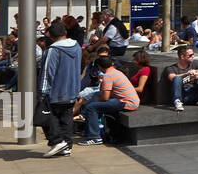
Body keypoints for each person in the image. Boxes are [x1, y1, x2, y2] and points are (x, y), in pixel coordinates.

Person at [40, 20, 82, 157]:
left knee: (47, 117)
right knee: (66, 117)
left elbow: (47, 72)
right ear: (65, 32)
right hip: (72, 90)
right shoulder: (77, 47)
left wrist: (43, 92)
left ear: (51, 36)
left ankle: (57, 141)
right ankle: (67, 145)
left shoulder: (53, 50)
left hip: (56, 91)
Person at [79, 54, 140, 145]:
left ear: (99, 67)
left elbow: (105, 97)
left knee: (91, 107)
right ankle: (91, 129)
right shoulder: (116, 72)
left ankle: (94, 137)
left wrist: (95, 103)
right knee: (96, 97)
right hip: (129, 101)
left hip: (126, 103)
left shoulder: (108, 76)